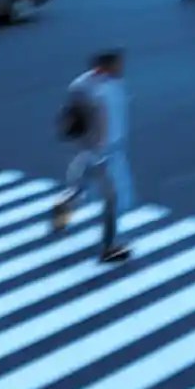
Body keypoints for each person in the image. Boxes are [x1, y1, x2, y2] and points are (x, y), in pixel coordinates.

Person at [51, 49, 136, 263]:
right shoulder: (101, 91)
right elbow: (97, 123)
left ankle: (63, 208)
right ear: (105, 66)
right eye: (117, 64)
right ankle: (111, 247)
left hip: (87, 151)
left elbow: (71, 117)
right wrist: (101, 153)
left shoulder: (82, 83)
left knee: (81, 188)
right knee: (115, 200)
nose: (121, 68)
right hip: (105, 153)